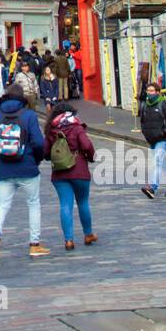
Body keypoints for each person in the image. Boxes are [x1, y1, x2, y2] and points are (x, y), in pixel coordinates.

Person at [0, 87, 50, 260]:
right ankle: (34, 245)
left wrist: (3, 149)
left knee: (3, 205)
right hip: (27, 167)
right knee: (33, 204)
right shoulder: (28, 115)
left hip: (3, 169)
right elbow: (38, 143)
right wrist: (36, 160)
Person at [44, 102, 97, 250]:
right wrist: (91, 157)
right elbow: (87, 146)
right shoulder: (77, 127)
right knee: (83, 202)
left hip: (60, 173)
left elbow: (45, 152)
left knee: (65, 205)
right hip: (79, 170)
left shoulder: (52, 130)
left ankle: (68, 240)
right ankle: (88, 234)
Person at [139, 83, 166, 198]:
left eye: (152, 91)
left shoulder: (164, 105)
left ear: (158, 92)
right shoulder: (144, 106)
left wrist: (163, 132)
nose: (149, 93)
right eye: (148, 91)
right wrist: (146, 134)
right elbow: (143, 122)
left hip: (162, 140)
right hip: (152, 140)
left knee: (158, 161)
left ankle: (152, 188)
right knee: (162, 163)